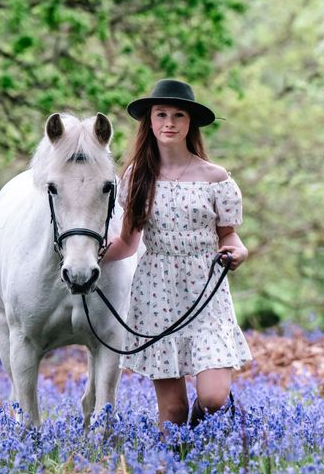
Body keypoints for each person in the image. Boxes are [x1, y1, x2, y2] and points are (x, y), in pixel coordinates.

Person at [104, 78, 252, 431]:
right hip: (158, 294)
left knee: (214, 398)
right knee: (172, 412)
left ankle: (204, 435)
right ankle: (175, 469)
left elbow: (229, 236)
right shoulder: (138, 177)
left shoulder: (215, 178)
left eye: (178, 115)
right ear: (150, 122)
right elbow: (127, 242)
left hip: (206, 293)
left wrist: (238, 253)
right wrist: (88, 261)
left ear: (190, 123)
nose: (169, 123)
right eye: (161, 115)